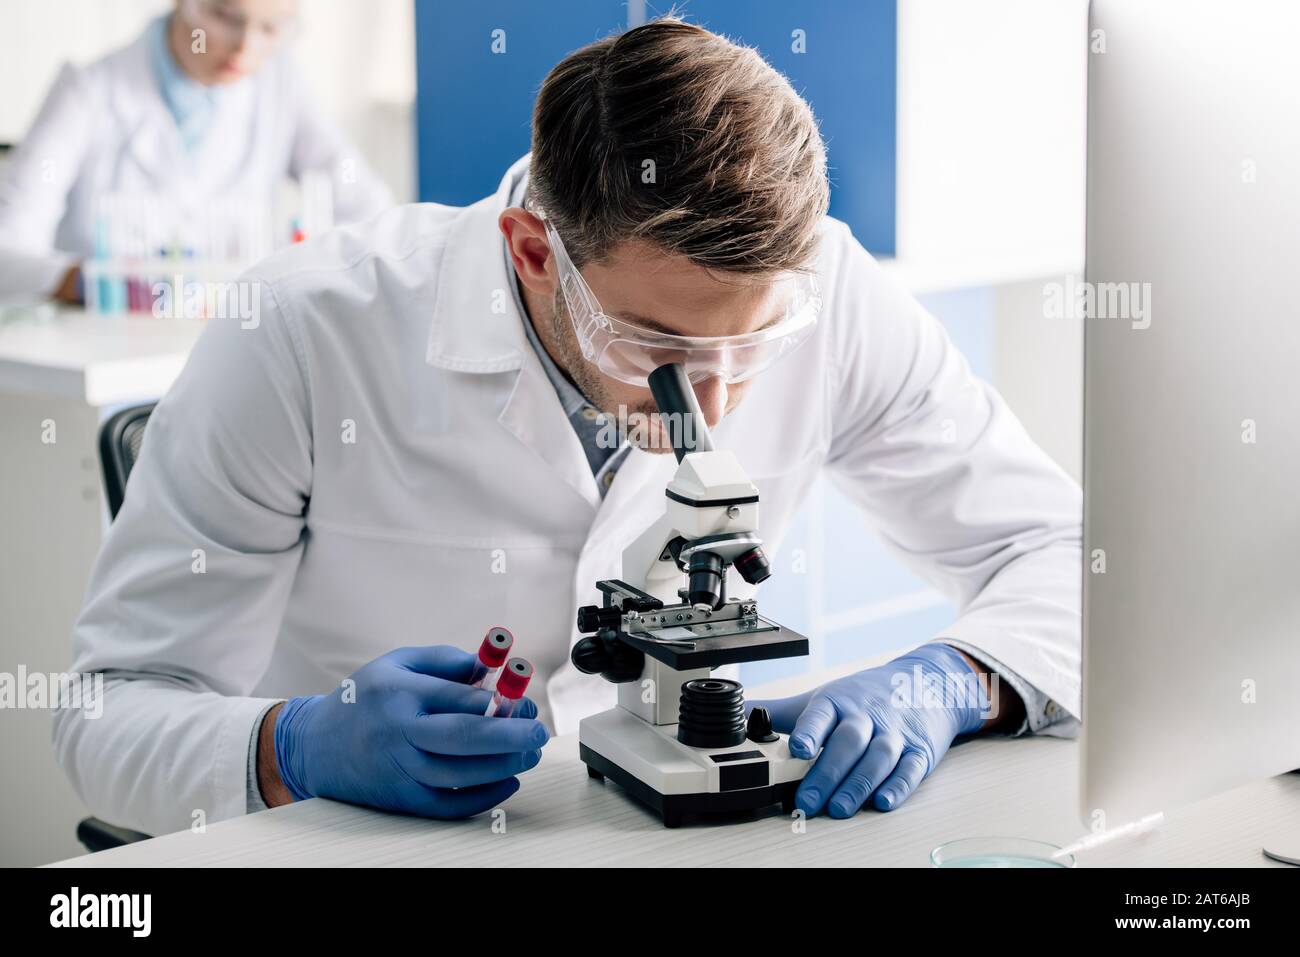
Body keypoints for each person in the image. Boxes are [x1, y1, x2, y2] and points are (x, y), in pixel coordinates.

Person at [56, 18, 1082, 836]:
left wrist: (959, 677)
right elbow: (109, 713)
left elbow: (1070, 555)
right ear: (532, 251)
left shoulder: (835, 292)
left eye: (751, 352)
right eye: (655, 348)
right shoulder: (301, 331)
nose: (712, 407)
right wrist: (294, 748)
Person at [0, 0, 391, 304]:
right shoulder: (89, 91)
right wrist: (96, 283)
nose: (245, 45)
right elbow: (7, 252)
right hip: (102, 363)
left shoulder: (281, 87)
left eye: (271, 27)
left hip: (231, 352)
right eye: (225, 16)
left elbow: (370, 210)